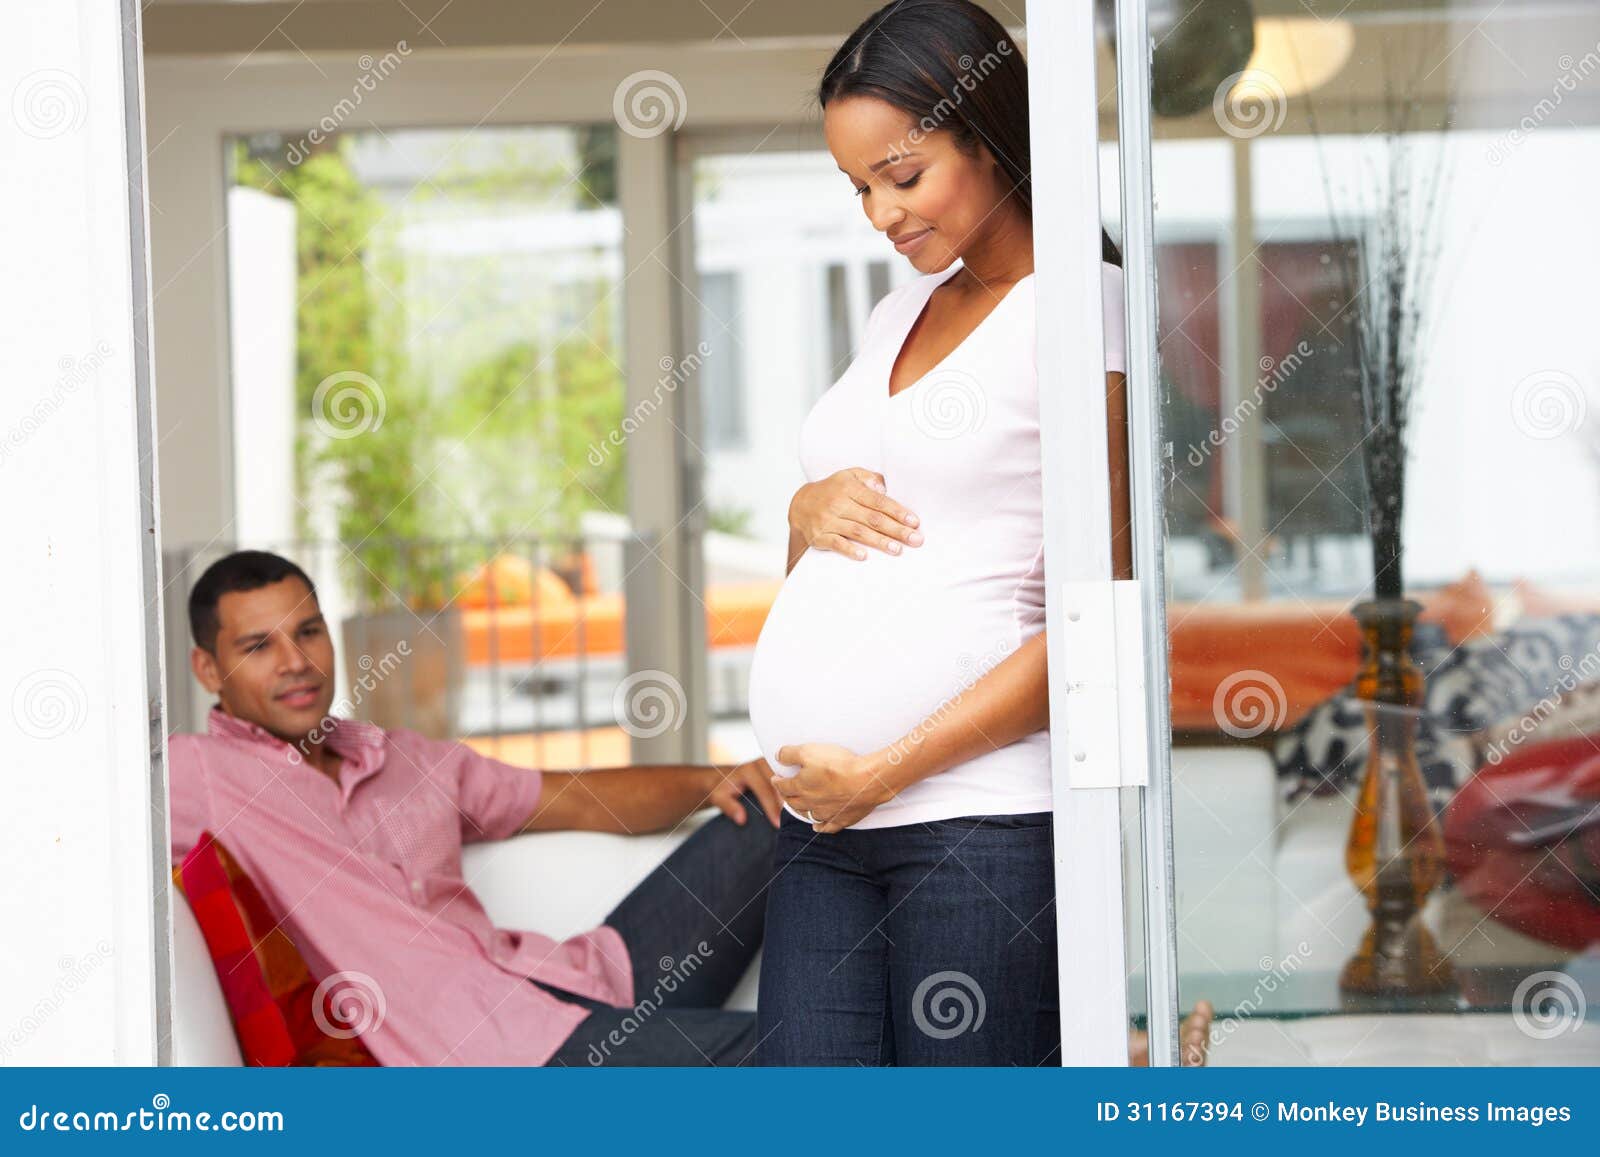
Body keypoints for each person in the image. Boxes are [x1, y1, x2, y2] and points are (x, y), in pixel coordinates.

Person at [749, 0, 1211, 1065]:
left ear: (990, 130)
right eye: (858, 187)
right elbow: (835, 550)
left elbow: (1105, 617)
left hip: (975, 827)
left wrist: (886, 767)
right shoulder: (890, 318)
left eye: (901, 176)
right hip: (825, 823)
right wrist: (799, 509)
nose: (879, 215)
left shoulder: (1082, 307)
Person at [168, 549, 782, 1066]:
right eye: (258, 647)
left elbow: (575, 801)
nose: (296, 662)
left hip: (579, 982)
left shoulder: (405, 759)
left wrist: (712, 780)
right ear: (207, 668)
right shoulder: (196, 776)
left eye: (307, 631)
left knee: (779, 807)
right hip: (497, 1060)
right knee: (801, 1049)